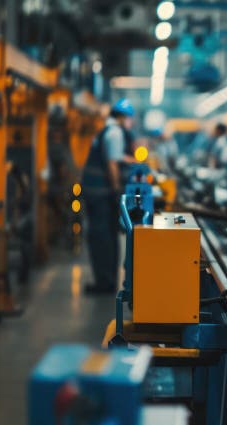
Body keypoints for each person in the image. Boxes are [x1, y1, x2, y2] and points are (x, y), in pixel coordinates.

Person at [80, 98, 136, 294]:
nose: (131, 122)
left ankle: (105, 282)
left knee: (102, 238)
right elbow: (113, 163)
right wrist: (116, 189)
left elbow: (116, 157)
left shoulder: (108, 131)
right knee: (104, 237)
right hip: (102, 194)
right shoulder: (114, 132)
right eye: (130, 118)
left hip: (98, 195)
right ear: (121, 117)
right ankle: (106, 281)